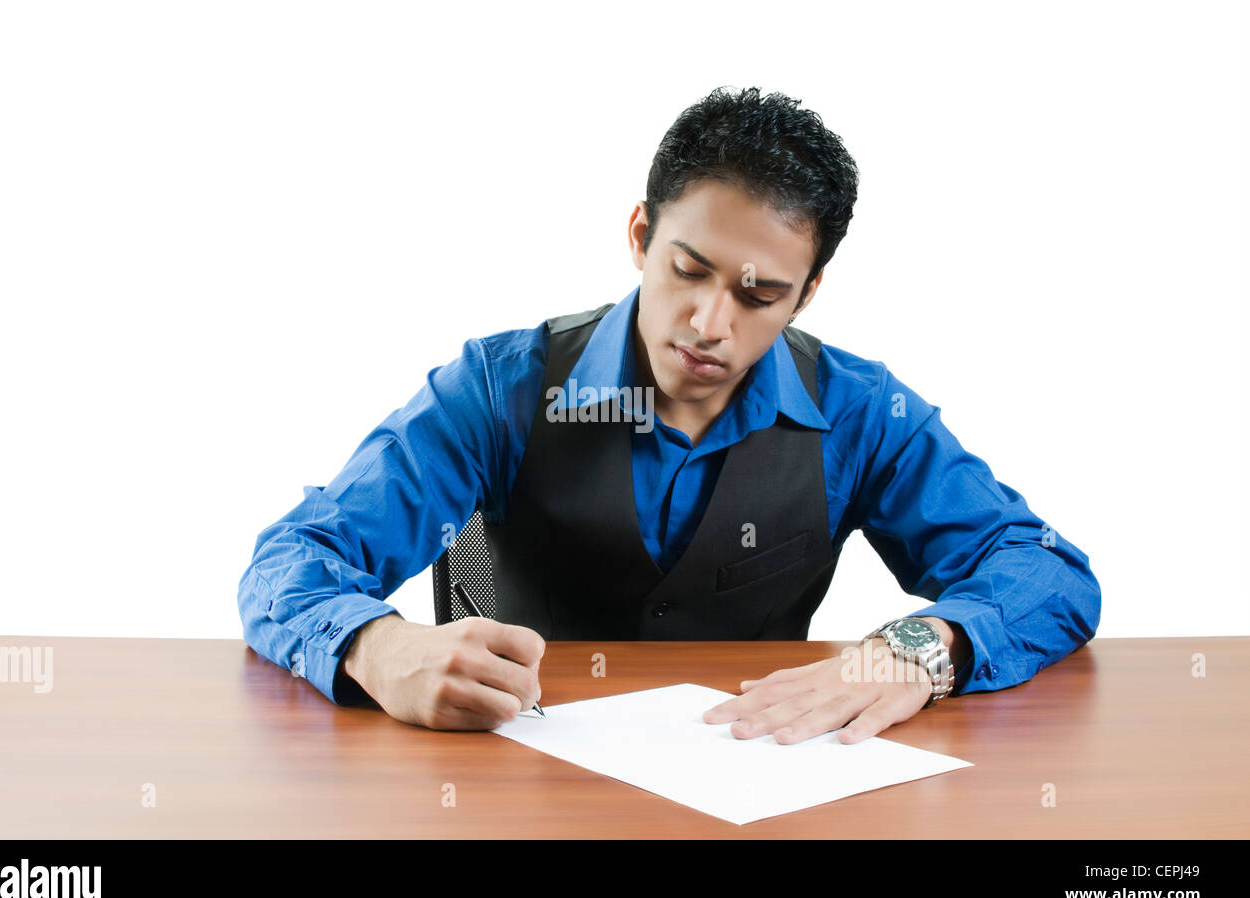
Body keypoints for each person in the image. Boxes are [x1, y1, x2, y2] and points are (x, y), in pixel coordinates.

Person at [237, 85, 1100, 744]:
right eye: (689, 268)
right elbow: (294, 556)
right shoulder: (498, 387)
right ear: (642, 235)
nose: (710, 323)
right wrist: (376, 646)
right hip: (517, 778)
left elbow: (1046, 570)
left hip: (758, 776)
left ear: (807, 294)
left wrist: (917, 646)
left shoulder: (864, 411)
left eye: (761, 294)